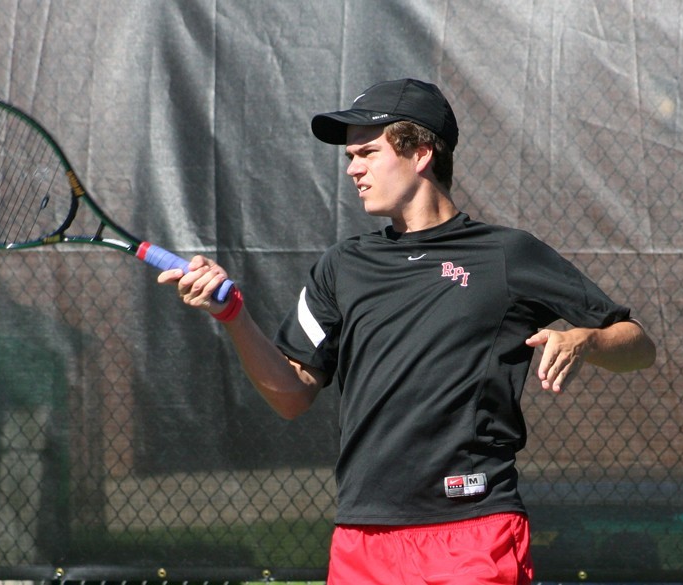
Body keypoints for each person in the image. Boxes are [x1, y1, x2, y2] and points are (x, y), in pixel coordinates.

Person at [157, 78, 656, 584]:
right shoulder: (340, 268)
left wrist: (585, 339)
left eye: (368, 153)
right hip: (362, 539)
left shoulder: (507, 255)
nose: (353, 168)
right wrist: (233, 316)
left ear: (420, 153)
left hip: (474, 531)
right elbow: (290, 395)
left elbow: (637, 344)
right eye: (351, 156)